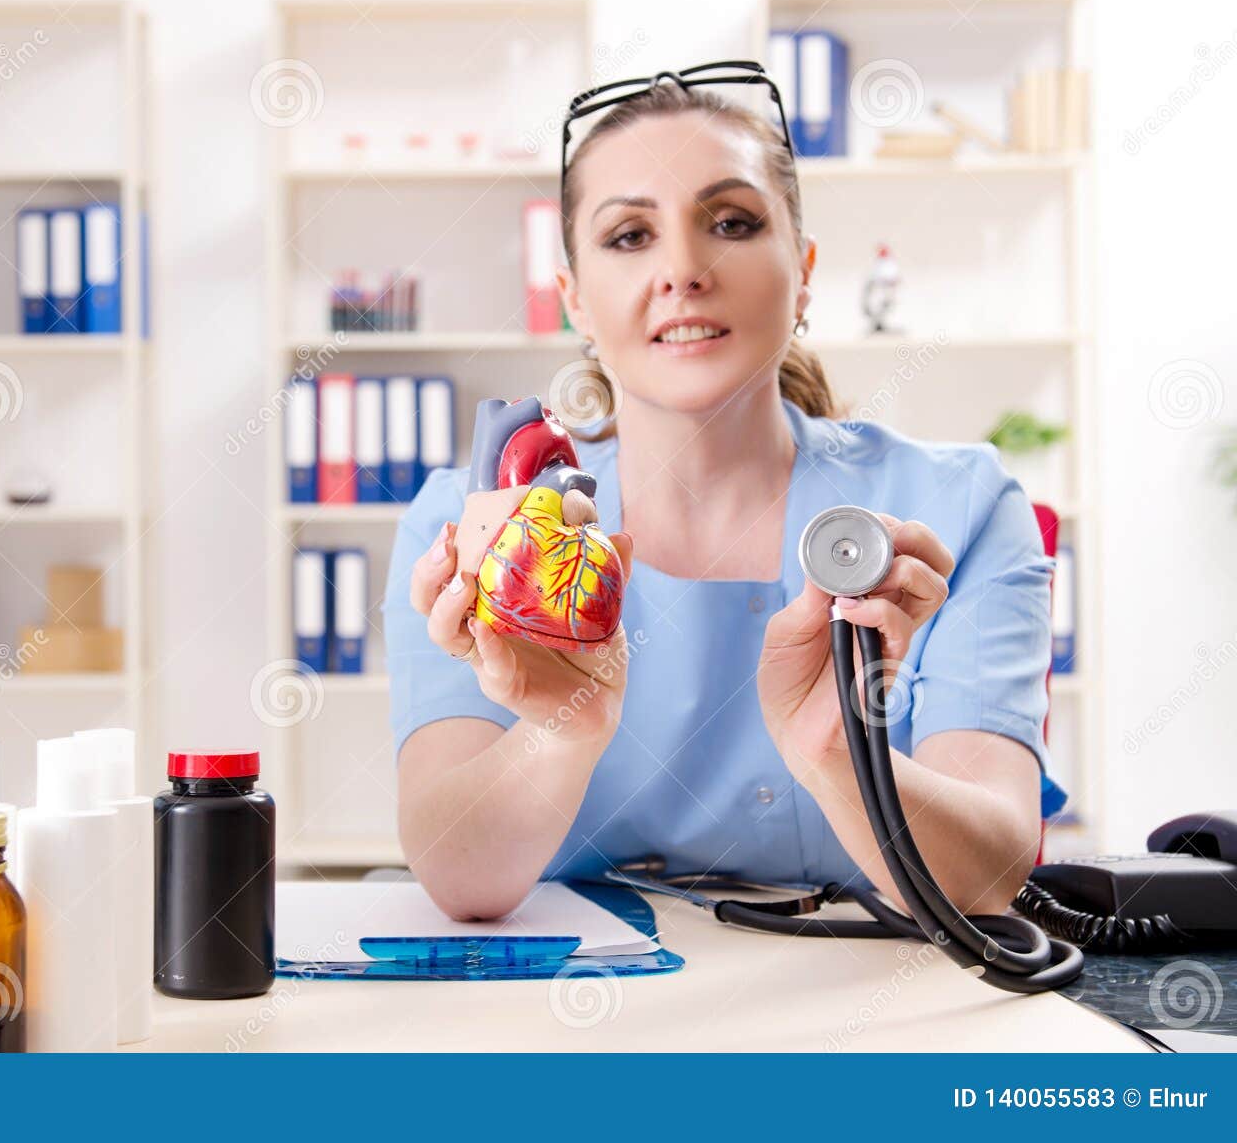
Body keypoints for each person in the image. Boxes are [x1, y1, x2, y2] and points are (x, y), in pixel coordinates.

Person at [382, 78, 1059, 922]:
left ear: (803, 273)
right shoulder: (472, 527)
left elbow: (989, 878)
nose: (683, 271)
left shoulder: (959, 506)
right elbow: (460, 878)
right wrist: (560, 727)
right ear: (577, 300)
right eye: (630, 235)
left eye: (732, 223)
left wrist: (837, 754)